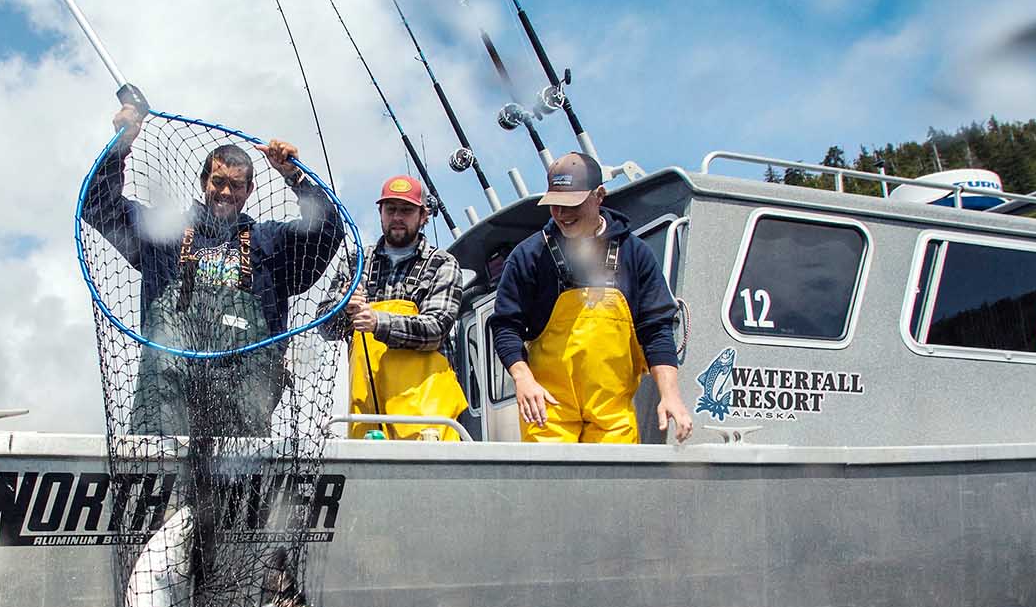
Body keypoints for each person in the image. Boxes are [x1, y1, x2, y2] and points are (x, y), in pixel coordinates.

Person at [84, 104, 342, 436]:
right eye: (218, 181)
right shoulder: (165, 236)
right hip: (169, 395)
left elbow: (328, 229)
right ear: (205, 182)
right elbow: (99, 205)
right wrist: (123, 142)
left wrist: (294, 176)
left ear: (249, 191)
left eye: (236, 185)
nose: (225, 192)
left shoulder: (270, 243)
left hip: (242, 403)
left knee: (240, 475)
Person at [489, 152, 693, 443]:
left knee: (613, 487)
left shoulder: (636, 254)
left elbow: (656, 329)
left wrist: (670, 396)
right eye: (554, 205)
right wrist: (523, 377)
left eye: (571, 204)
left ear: (599, 196)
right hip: (547, 411)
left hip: (613, 416)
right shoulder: (528, 255)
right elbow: (506, 325)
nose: (561, 214)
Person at [327, 175, 466, 439]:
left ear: (423, 216)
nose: (397, 217)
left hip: (426, 415)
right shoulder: (356, 261)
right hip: (366, 411)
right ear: (380, 212)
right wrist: (342, 309)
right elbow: (324, 326)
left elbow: (436, 329)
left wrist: (379, 323)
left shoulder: (442, 264)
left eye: (406, 210)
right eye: (390, 209)